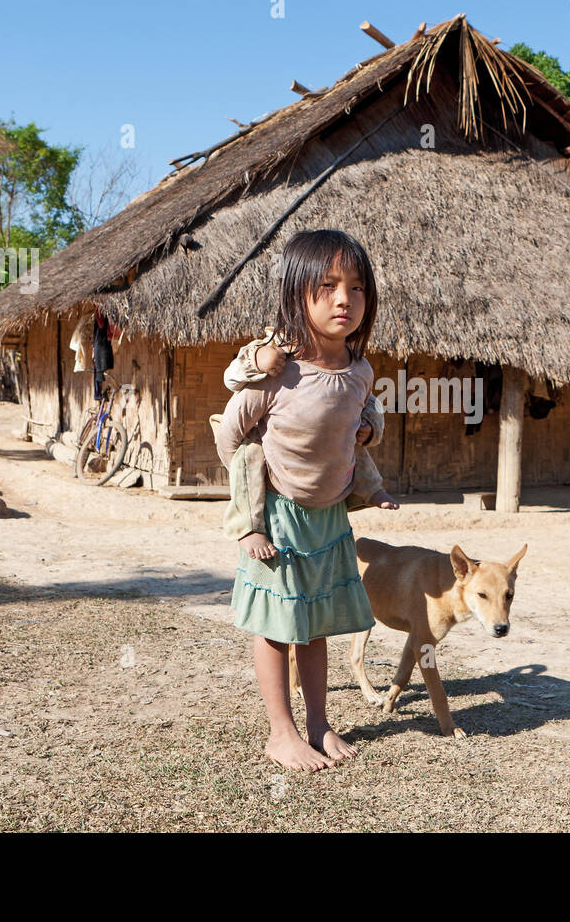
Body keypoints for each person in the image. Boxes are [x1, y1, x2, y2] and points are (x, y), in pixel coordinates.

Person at [214, 229, 388, 772]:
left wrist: (368, 442)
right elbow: (232, 434)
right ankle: (280, 731)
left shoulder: (360, 372)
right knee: (275, 624)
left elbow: (362, 422)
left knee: (312, 624)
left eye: (357, 288)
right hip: (278, 521)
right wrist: (253, 502)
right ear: (297, 295)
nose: (345, 299)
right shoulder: (277, 371)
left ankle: (318, 723)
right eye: (328, 286)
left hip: (327, 516)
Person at [210, 326, 398, 559]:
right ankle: (249, 528)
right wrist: (259, 359)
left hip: (330, 462)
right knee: (249, 459)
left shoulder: (355, 366)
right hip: (271, 459)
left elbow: (371, 402)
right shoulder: (273, 347)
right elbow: (232, 377)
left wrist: (370, 428)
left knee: (353, 442)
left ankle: (371, 488)